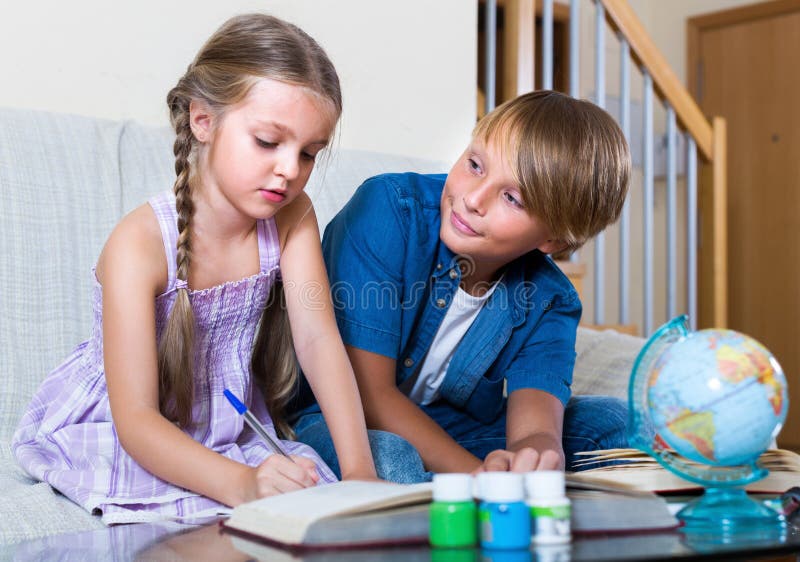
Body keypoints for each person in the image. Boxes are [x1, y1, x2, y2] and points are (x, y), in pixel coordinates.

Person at [12, 13, 376, 524]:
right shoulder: (137, 246)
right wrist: (243, 484)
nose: (290, 170)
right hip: (132, 433)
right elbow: (136, 420)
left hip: (227, 430)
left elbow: (317, 339)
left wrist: (360, 471)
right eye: (269, 142)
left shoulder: (294, 217)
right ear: (202, 120)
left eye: (309, 153)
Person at [289, 90, 631, 482]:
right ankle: (447, 499)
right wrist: (478, 477)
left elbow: (535, 426)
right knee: (393, 460)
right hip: (340, 419)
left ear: (552, 240)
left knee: (616, 424)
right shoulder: (389, 211)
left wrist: (533, 453)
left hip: (456, 431)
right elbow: (369, 395)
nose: (473, 199)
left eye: (513, 198)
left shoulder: (550, 298)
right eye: (475, 165)